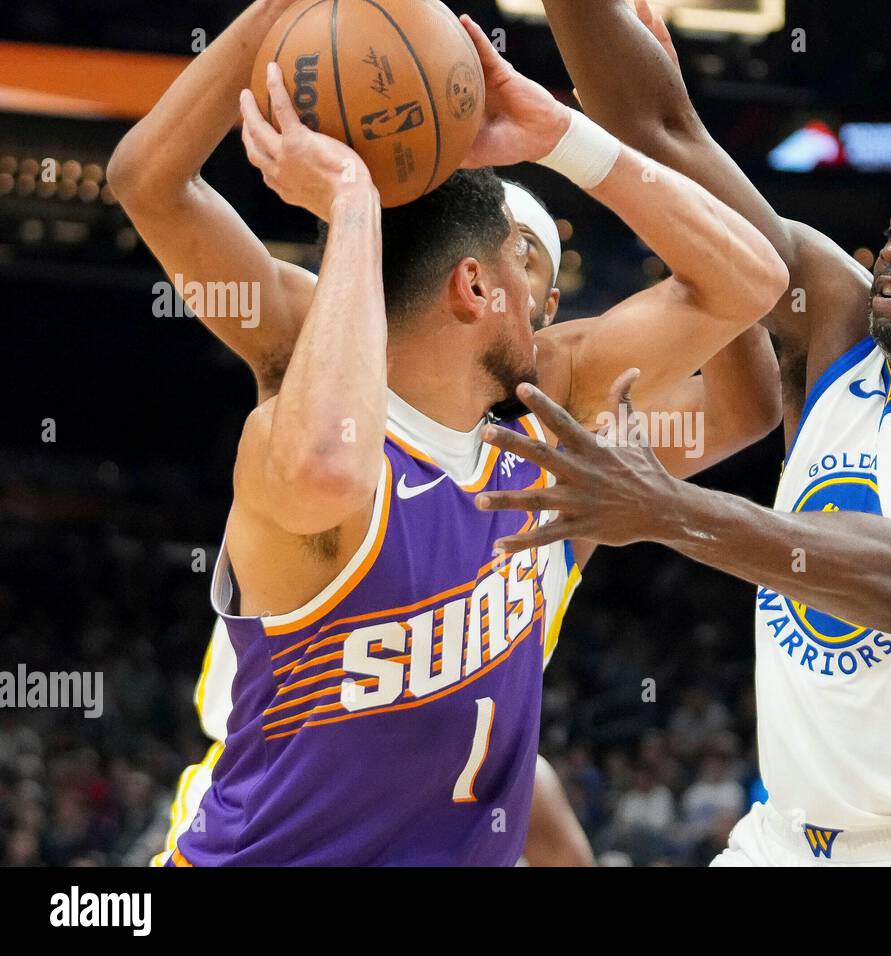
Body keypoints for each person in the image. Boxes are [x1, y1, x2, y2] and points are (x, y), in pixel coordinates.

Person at [108, 4, 788, 865]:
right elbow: (149, 182)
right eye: (530, 267)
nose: (551, 304)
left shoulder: (553, 429)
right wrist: (278, 33)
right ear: (476, 284)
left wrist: (583, 134)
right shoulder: (300, 353)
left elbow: (749, 295)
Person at [475, 0, 891, 867]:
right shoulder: (837, 330)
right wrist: (561, 133)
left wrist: (665, 509)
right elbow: (661, 129)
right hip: (780, 840)